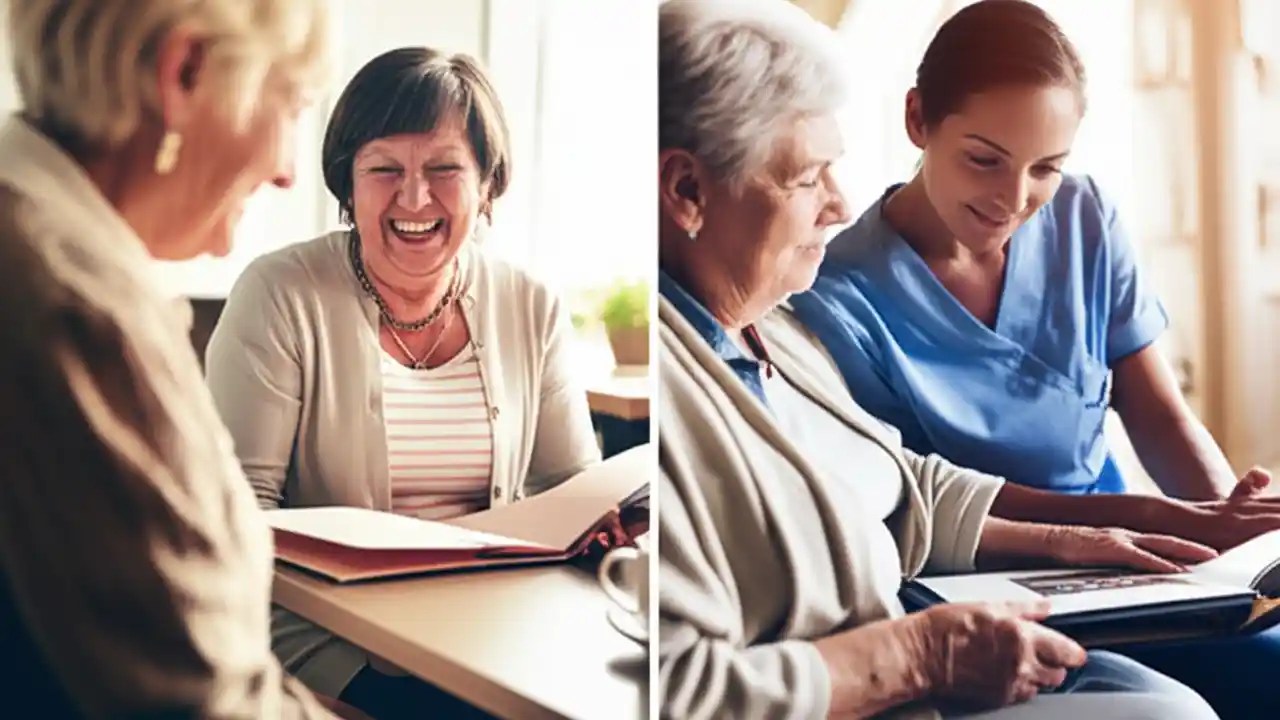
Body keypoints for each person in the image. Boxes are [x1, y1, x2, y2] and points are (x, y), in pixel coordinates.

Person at [656, 1, 1222, 718]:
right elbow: (675, 690)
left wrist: (1102, 535)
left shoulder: (776, 331)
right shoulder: (817, 308)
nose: (838, 205)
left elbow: (905, 484)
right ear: (687, 191)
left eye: (1045, 167)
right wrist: (922, 656)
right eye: (808, 178)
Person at [787, 1, 1280, 716]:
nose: (1014, 200)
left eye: (1046, 167)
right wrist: (1163, 523)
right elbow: (913, 499)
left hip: (1138, 558)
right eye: (984, 160)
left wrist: (1232, 534)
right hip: (994, 578)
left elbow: (1159, 416)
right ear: (918, 119)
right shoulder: (838, 297)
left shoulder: (1085, 217)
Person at [204, 47, 603, 718]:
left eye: (445, 169)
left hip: (493, 633)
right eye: (384, 169)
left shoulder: (533, 304)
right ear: (347, 184)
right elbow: (238, 511)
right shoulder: (278, 293)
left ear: (488, 185)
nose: (414, 198)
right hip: (325, 635)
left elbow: (574, 491)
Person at [0, 0, 363, 717]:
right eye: (291, 105)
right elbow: (207, 703)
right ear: (186, 73)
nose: (292, 171)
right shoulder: (75, 312)